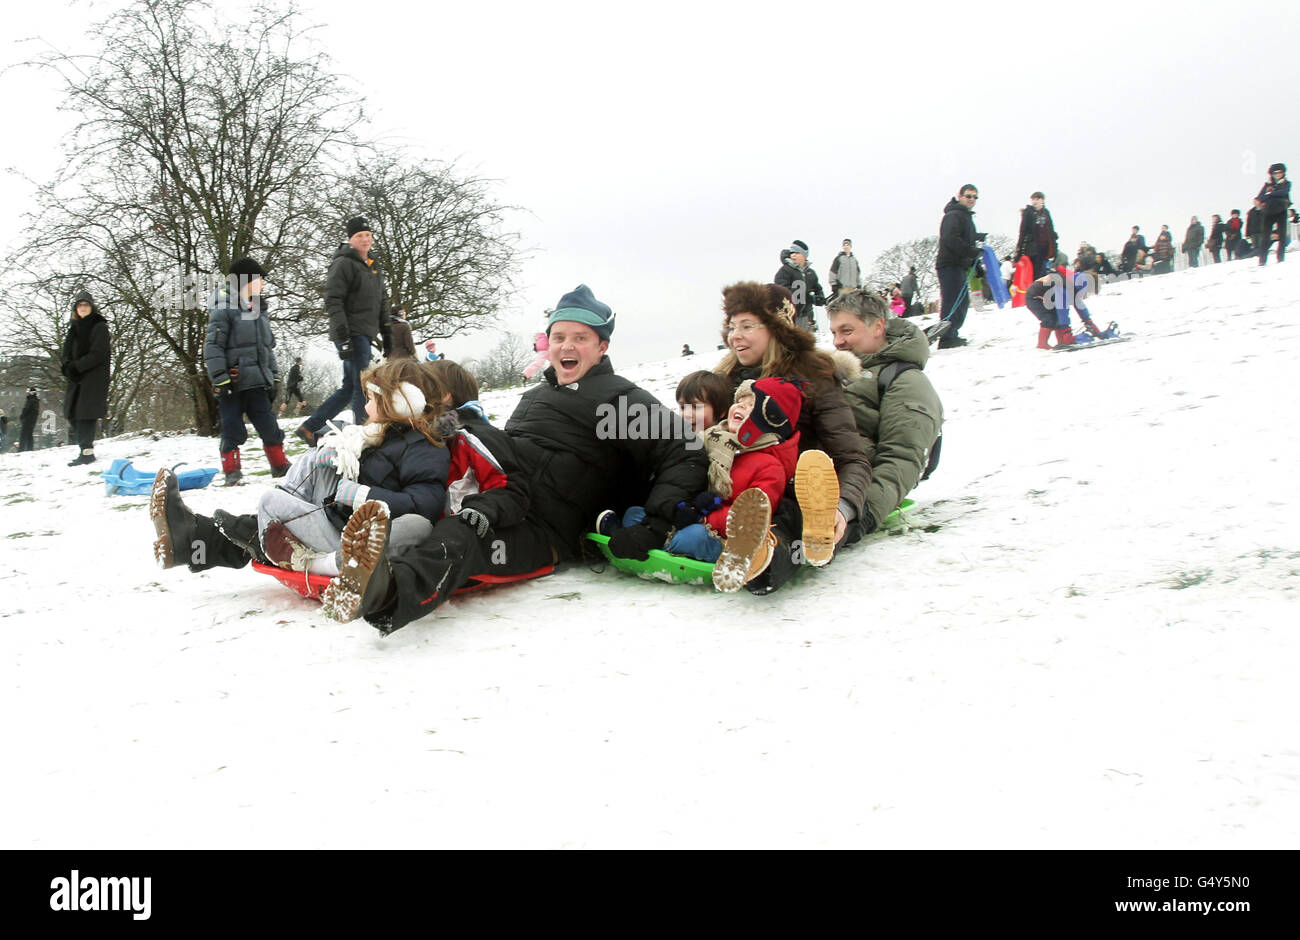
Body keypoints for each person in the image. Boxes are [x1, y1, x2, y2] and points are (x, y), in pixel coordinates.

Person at [325, 284, 709, 632]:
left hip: (544, 532)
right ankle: (330, 545)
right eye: (559, 337)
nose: (567, 347)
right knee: (424, 501)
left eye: (581, 338)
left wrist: (655, 523)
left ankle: (389, 594)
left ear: (602, 346)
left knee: (463, 532)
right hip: (506, 500)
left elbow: (685, 451)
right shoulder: (535, 397)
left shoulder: (617, 401)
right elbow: (501, 455)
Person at [150, 358, 450, 578]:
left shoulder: (422, 447)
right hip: (339, 520)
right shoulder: (381, 435)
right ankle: (197, 538)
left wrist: (359, 493)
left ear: (400, 402)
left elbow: (422, 505)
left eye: (372, 399)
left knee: (416, 525)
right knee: (315, 458)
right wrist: (338, 458)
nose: (366, 407)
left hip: (356, 535)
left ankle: (305, 558)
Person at [712, 281, 872, 594]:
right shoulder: (723, 381)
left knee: (788, 518)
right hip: (733, 492)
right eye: (732, 326)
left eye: (747, 325)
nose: (736, 336)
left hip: (793, 492)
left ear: (775, 329)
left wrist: (842, 508)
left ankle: (766, 555)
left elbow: (852, 457)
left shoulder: (814, 377)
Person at [598, 376, 804, 590]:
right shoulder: (717, 442)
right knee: (634, 512)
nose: (741, 406)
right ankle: (644, 537)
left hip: (722, 536)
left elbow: (753, 515)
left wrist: (704, 517)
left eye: (751, 404)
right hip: (687, 517)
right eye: (740, 400)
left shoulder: (768, 465)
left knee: (691, 537)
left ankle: (681, 548)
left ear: (771, 419)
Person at [827, 290, 943, 535]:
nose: (837, 341)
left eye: (846, 331)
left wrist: (855, 513)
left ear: (878, 327)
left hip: (847, 488)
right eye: (834, 333)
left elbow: (901, 458)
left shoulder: (905, 381)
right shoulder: (836, 372)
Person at [297, 216, 393, 445]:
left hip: (365, 332)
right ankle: (363, 433)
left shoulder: (373, 265)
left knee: (350, 386)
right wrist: (344, 338)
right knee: (362, 385)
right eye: (360, 236)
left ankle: (309, 427)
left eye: (368, 235)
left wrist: (387, 332)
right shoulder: (344, 263)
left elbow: (382, 300)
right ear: (350, 239)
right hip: (350, 332)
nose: (365, 239)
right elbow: (333, 300)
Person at [205, 257, 289, 485]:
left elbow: (267, 347)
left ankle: (280, 465)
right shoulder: (224, 309)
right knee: (232, 429)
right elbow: (213, 346)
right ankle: (232, 472)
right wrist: (220, 378)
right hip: (233, 383)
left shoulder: (259, 310)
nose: (263, 283)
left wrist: (273, 375)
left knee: (269, 426)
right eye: (259, 279)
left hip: (257, 382)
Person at [60, 290, 111, 466]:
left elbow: (98, 354)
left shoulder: (100, 327)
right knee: (72, 413)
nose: (83, 308)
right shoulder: (74, 328)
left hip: (93, 378)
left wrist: (77, 366)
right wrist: (67, 366)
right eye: (80, 305)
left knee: (86, 415)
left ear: (92, 307)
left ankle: (87, 452)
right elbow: (66, 352)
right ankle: (84, 449)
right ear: (76, 308)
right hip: (76, 378)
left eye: (86, 305)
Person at [935, 183, 984, 348]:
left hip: (958, 265)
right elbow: (951, 239)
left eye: (975, 197)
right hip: (949, 264)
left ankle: (951, 333)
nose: (972, 200)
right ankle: (946, 337)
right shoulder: (954, 215)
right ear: (960, 196)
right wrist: (971, 251)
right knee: (952, 300)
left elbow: (965, 239)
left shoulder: (965, 216)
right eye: (968, 196)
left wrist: (977, 266)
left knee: (961, 300)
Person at [773, 240, 826, 332]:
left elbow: (817, 288)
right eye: (792, 253)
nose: (793, 255)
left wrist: (820, 298)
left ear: (804, 255)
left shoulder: (811, 273)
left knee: (805, 342)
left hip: (806, 316)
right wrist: (808, 298)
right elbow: (782, 290)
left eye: (797, 253)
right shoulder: (785, 271)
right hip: (789, 315)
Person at [1254, 163, 1291, 265]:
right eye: (1275, 173)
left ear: (1283, 173)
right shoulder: (1267, 185)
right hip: (1268, 212)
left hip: (1282, 211)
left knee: (1282, 236)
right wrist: (1267, 196)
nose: (1278, 174)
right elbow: (1259, 197)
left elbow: (1283, 192)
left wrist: (1269, 194)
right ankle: (1262, 261)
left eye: (1280, 172)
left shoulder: (1286, 183)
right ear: (1272, 174)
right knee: (1265, 237)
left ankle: (1281, 259)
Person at [1015, 191, 1058, 279]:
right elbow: (1022, 231)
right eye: (1033, 199)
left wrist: (1054, 248)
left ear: (1042, 200)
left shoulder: (1046, 213)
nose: (1034, 202)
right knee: (1031, 273)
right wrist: (1019, 251)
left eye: (1037, 199)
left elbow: (1050, 230)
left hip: (1044, 249)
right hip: (1031, 249)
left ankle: (1037, 290)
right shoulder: (1028, 212)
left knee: (1041, 273)